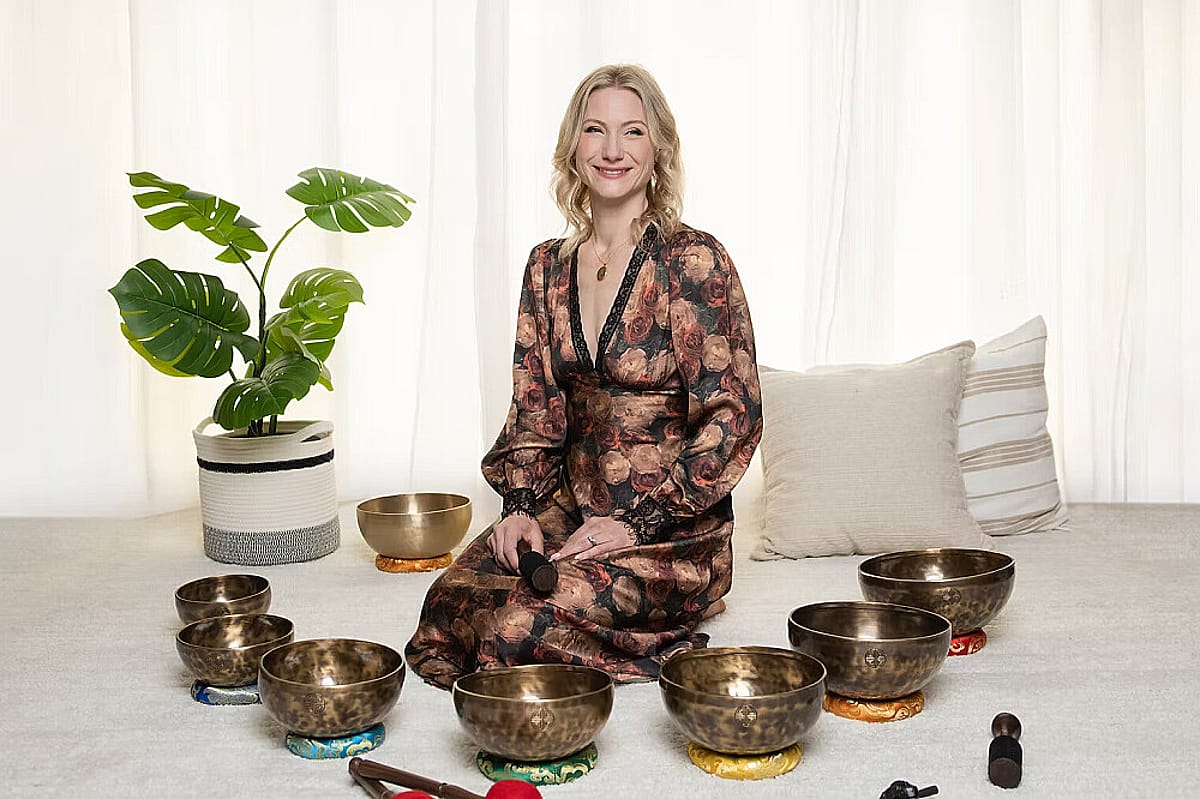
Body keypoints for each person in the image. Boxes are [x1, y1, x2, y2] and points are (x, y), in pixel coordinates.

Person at [405, 64, 762, 689]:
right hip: (569, 511)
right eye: (595, 130)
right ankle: (586, 610)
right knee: (446, 609)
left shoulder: (692, 261)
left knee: (519, 627)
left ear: (659, 149)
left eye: (632, 131)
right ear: (574, 145)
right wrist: (520, 508)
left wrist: (637, 523)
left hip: (670, 531)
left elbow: (733, 417)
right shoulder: (546, 267)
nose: (612, 150)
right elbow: (534, 404)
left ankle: (671, 615)